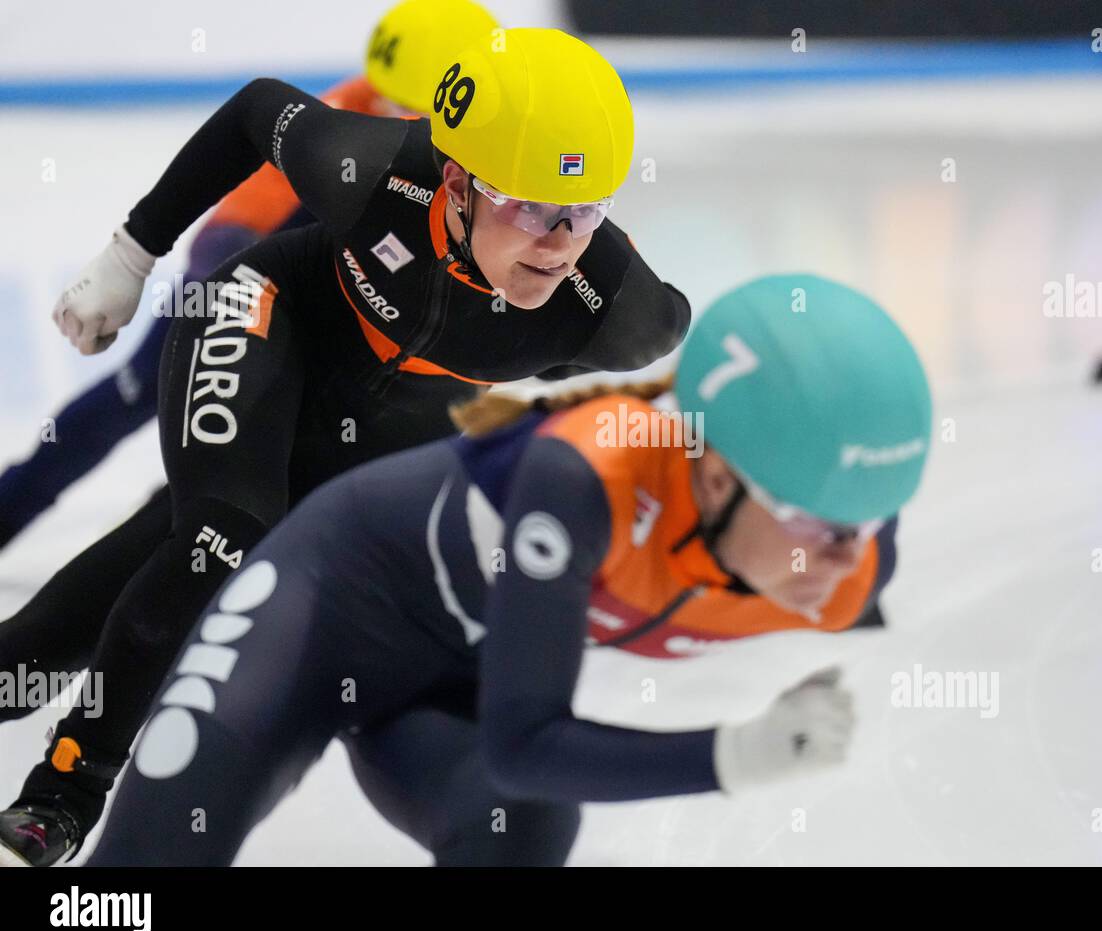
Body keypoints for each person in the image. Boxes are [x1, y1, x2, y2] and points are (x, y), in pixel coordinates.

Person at [0, 25, 690, 866]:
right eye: (533, 208)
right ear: (459, 182)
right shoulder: (378, 170)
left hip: (396, 420)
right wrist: (130, 255)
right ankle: (65, 793)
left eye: (586, 213)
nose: (558, 244)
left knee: (159, 563)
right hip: (272, 316)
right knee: (221, 536)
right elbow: (256, 110)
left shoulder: (619, 315)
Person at [78, 273, 932, 867]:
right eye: (817, 528)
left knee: (523, 824)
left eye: (866, 525)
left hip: (445, 687)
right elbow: (528, 743)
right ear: (714, 475)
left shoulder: (847, 563)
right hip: (318, 608)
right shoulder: (588, 475)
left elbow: (516, 765)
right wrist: (733, 756)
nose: (844, 561)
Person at [0, 0, 496, 553]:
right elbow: (234, 235)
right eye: (394, 103)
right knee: (165, 408)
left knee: (153, 408)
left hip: (274, 269)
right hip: (242, 270)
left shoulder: (381, 103)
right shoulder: (368, 134)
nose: (391, 110)